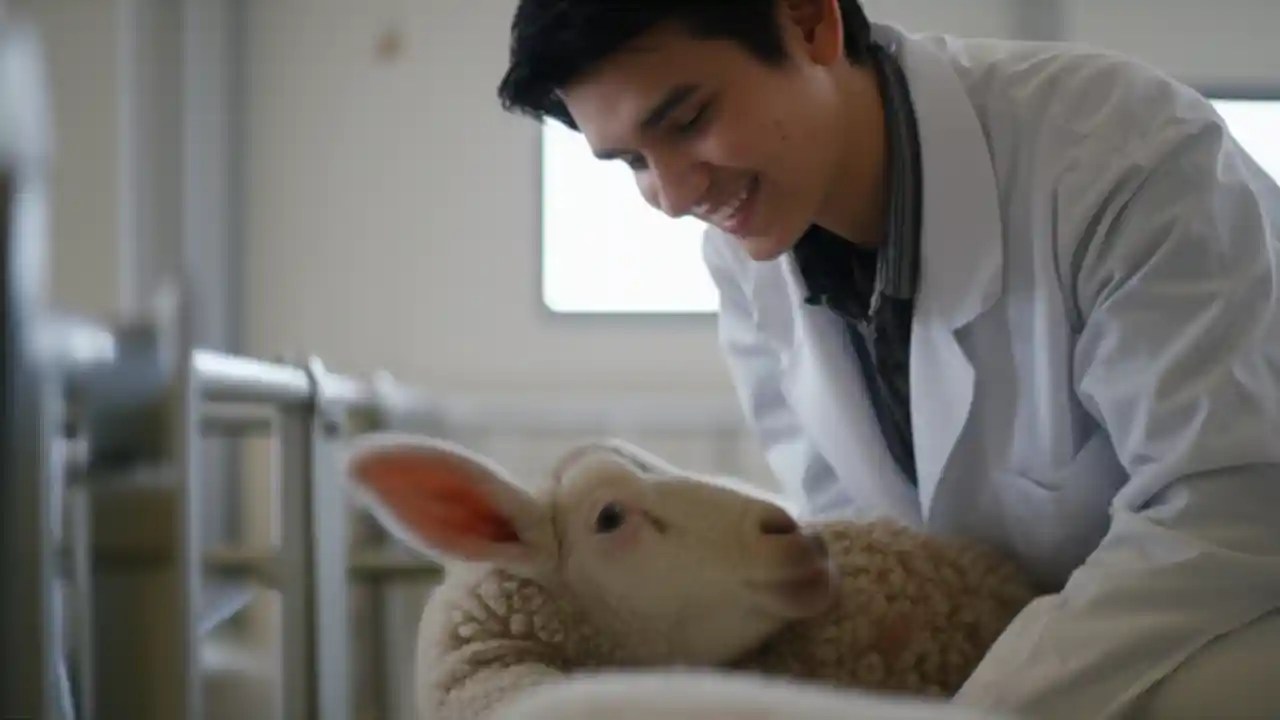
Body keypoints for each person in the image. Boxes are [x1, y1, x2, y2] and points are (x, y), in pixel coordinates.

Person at [495, 1, 1280, 718]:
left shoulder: (1123, 155)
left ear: (809, 23)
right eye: (630, 160)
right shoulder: (746, 260)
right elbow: (864, 539)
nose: (671, 194)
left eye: (690, 118)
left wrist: (983, 704)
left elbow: (1226, 510)